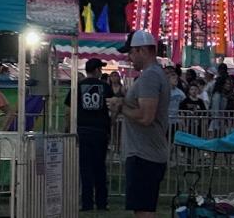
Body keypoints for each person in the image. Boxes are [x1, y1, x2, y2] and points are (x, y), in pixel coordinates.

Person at [110, 30, 170, 218]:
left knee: (143, 210)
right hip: (148, 153)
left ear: (143, 50)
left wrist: (120, 108)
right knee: (145, 208)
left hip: (144, 154)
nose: (129, 57)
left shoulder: (149, 77)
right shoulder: (155, 74)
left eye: (131, 52)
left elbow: (146, 117)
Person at [69, 58, 110, 213]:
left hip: (83, 131)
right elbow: (113, 105)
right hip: (100, 131)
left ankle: (87, 203)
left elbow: (69, 108)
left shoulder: (77, 87)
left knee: (85, 169)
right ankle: (101, 203)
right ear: (97, 70)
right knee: (100, 167)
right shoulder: (105, 87)